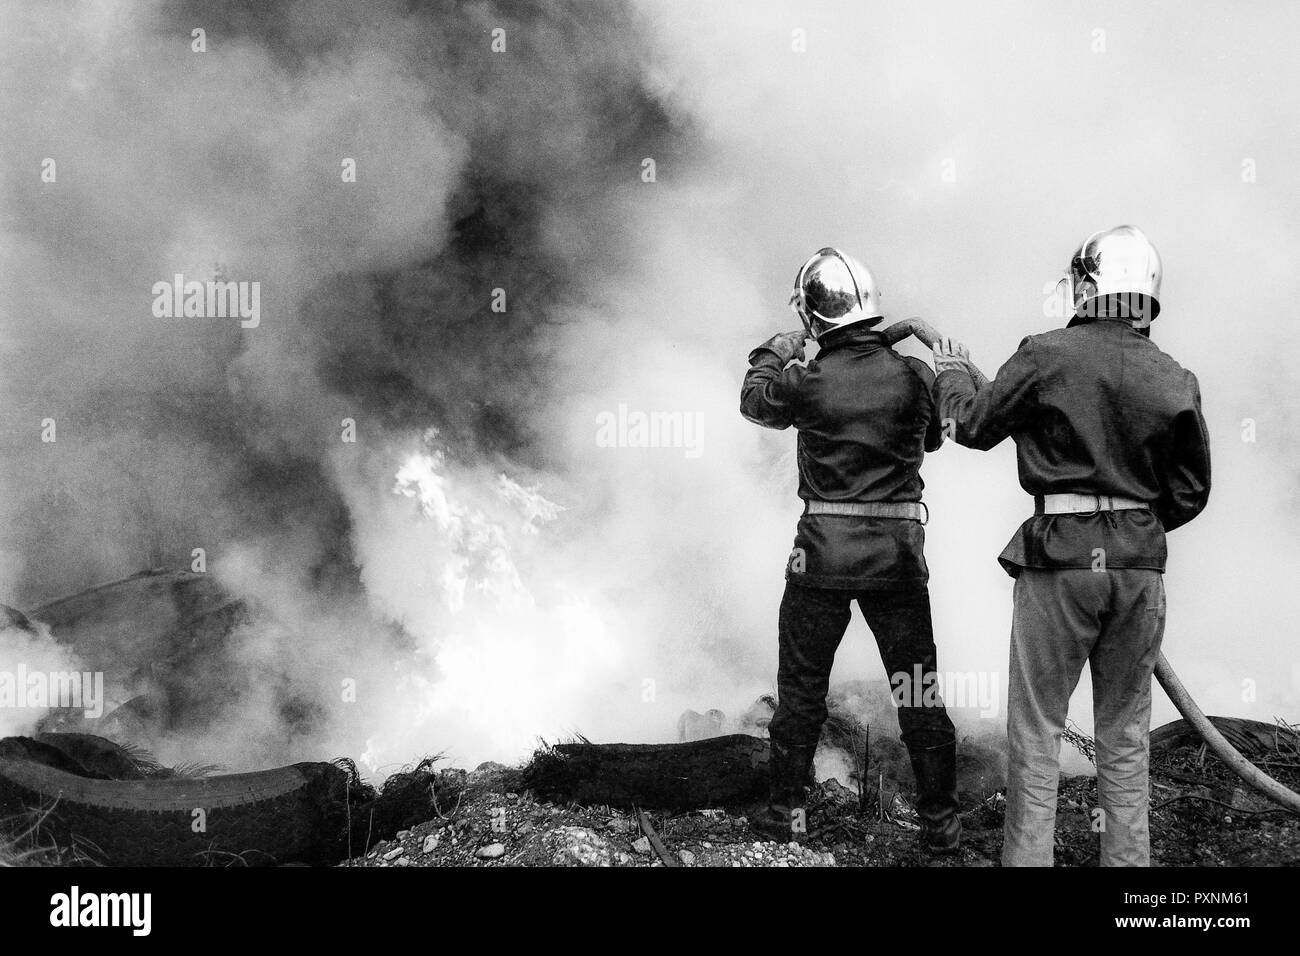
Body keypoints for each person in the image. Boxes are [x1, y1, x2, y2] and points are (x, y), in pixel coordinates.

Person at [931, 225, 1211, 866]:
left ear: (1088, 287)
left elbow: (969, 426)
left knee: (1036, 733)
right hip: (1139, 568)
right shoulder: (1175, 376)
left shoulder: (1046, 354)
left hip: (1059, 561)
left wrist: (950, 374)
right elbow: (1190, 492)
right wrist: (1129, 532)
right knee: (1125, 736)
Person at [741, 247, 961, 852]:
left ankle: (786, 812)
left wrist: (777, 348)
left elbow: (753, 399)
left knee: (803, 689)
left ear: (814, 318)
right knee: (918, 689)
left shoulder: (806, 380)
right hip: (896, 559)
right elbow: (933, 441)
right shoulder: (915, 374)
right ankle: (939, 825)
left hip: (821, 557)